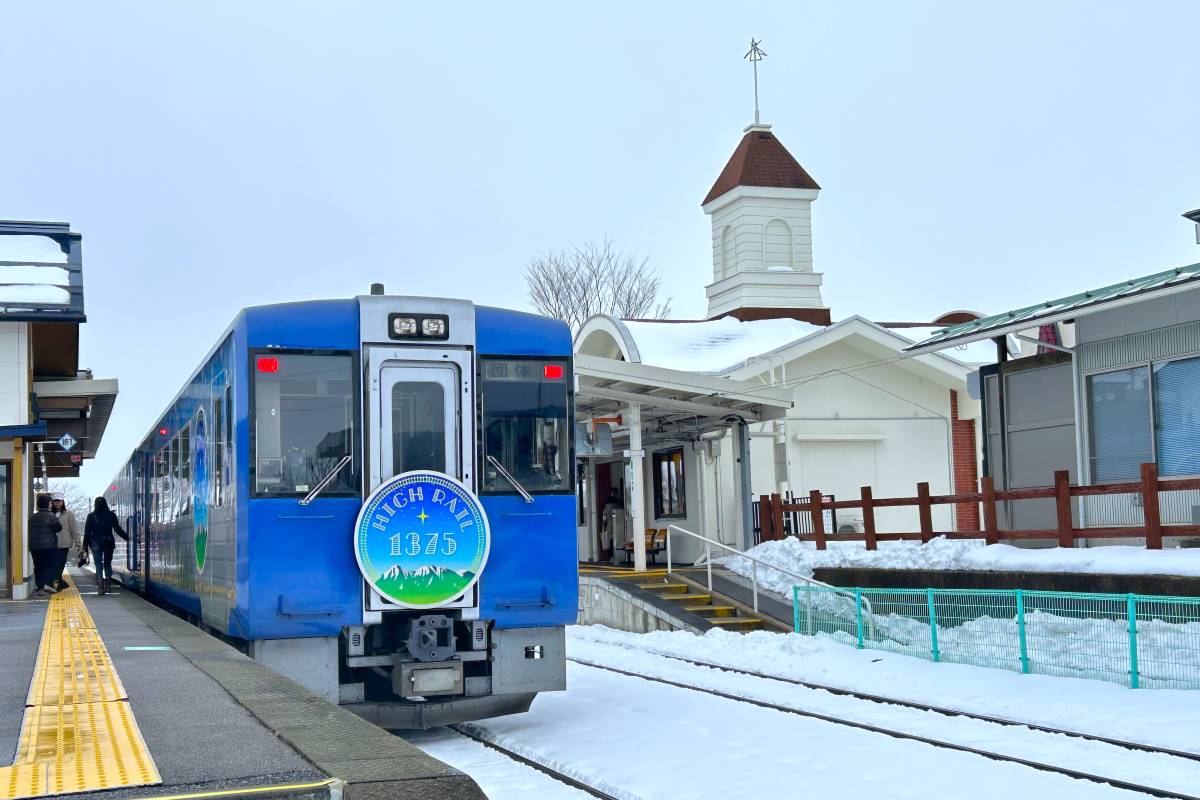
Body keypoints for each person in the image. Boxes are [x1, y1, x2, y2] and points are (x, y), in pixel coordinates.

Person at [82, 496, 127, 595]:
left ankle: (100, 587)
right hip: (108, 542)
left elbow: (87, 532)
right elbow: (117, 529)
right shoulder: (111, 515)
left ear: (95, 505)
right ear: (106, 504)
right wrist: (127, 538)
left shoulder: (90, 516)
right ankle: (108, 584)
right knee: (107, 563)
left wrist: (84, 546)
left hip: (95, 543)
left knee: (98, 565)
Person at [28, 493, 63, 598]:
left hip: (35, 547)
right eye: (50, 503)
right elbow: (58, 528)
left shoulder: (32, 517)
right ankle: (47, 586)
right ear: (48, 504)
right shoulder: (51, 516)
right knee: (50, 566)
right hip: (48, 547)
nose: (52, 505)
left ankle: (40, 588)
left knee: (38, 567)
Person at [50, 494, 79, 592]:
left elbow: (74, 529)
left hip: (64, 544)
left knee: (61, 564)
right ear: (52, 502)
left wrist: (78, 544)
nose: (57, 503)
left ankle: (58, 583)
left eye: (59, 501)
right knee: (54, 565)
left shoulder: (69, 514)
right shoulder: (49, 514)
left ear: (63, 502)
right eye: (55, 501)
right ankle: (58, 583)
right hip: (51, 544)